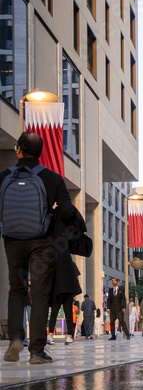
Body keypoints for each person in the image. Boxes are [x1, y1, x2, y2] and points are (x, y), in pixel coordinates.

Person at [2, 131, 75, 364]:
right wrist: (49, 215)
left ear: (19, 150)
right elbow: (66, 211)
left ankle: (15, 337)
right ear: (41, 152)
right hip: (43, 242)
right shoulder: (52, 178)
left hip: (12, 239)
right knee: (40, 295)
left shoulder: (4, 176)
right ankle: (36, 351)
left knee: (17, 289)